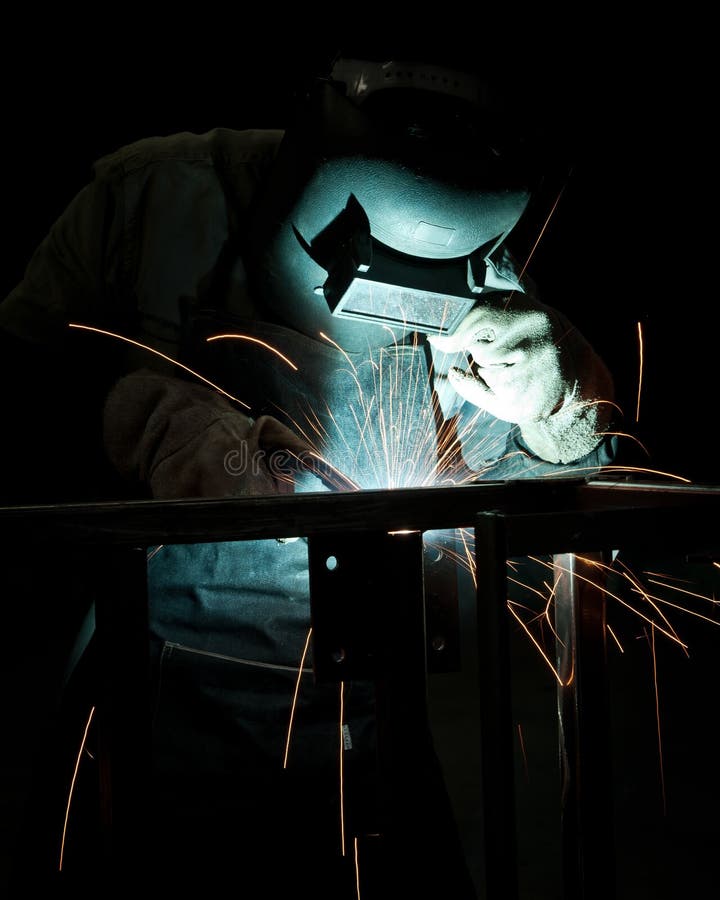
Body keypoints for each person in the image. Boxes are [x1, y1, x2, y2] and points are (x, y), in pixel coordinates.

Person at [0, 49, 617, 897]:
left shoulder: (483, 261)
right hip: (145, 732)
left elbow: (579, 501)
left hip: (370, 743)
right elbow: (3, 402)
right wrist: (134, 417)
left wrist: (563, 405)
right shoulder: (151, 203)